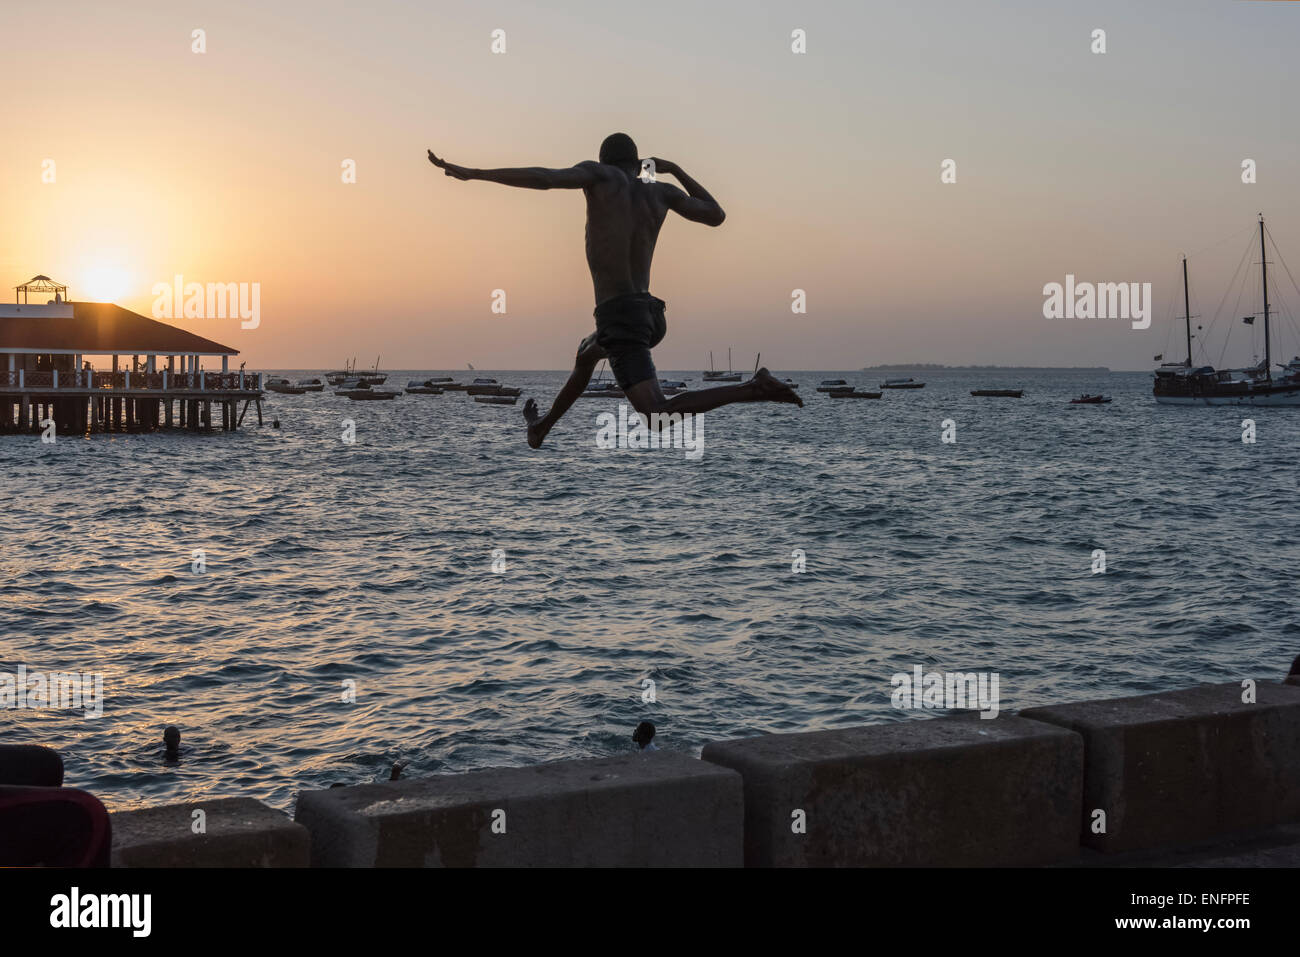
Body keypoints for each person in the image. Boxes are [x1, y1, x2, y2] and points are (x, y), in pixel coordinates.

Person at [428, 133, 801, 449]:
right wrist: (674, 168)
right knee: (587, 354)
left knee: (655, 416)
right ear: (640, 164)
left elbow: (545, 177)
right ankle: (541, 427)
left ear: (604, 161)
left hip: (620, 316)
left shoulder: (598, 175)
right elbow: (716, 215)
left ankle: (753, 388)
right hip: (650, 315)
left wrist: (475, 173)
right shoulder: (662, 192)